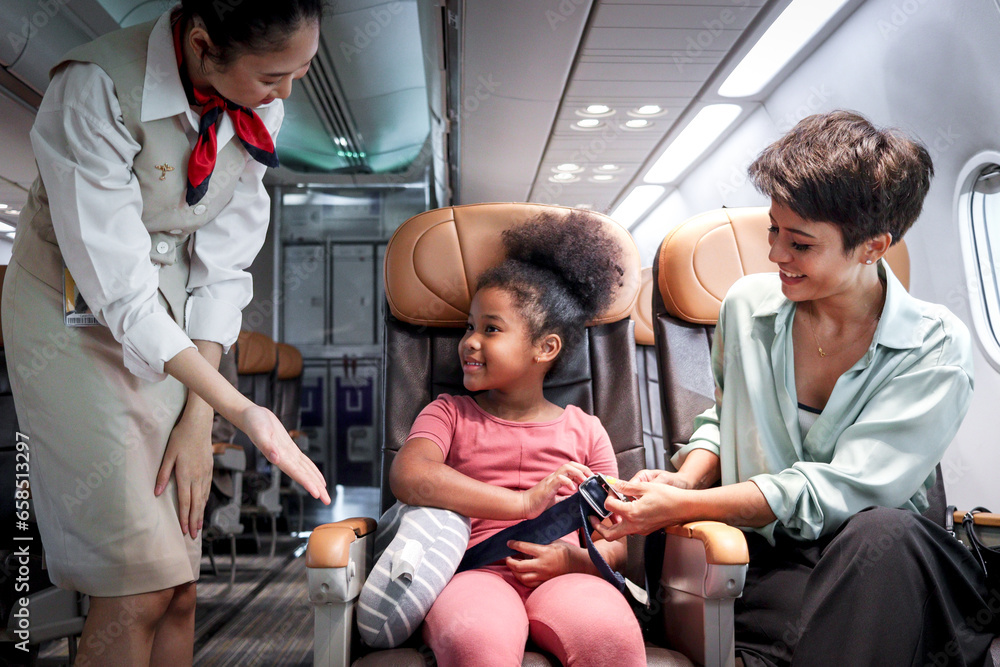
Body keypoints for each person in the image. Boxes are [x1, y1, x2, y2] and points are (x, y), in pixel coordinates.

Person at [594, 111, 997, 666]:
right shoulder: (745, 307)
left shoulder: (935, 345)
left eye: (800, 244)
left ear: (873, 247)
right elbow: (723, 417)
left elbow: (844, 491)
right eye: (773, 231)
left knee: (882, 535)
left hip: (878, 566)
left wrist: (685, 504)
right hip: (767, 558)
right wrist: (683, 477)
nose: (776, 254)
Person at [1, 1, 331, 664]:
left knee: (179, 589)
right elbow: (119, 294)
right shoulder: (92, 89)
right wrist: (246, 411)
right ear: (204, 45)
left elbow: (223, 265)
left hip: (175, 323)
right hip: (72, 318)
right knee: (134, 594)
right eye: (272, 76)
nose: (285, 94)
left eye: (301, 70)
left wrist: (199, 417)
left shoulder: (260, 102)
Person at [389, 212, 646, 667]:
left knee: (610, 638)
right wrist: (523, 505)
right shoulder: (448, 413)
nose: (469, 341)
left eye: (491, 329)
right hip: (474, 571)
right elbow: (410, 476)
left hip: (565, 574)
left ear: (544, 348)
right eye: (469, 327)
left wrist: (572, 562)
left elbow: (615, 542)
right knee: (477, 643)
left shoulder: (586, 430)